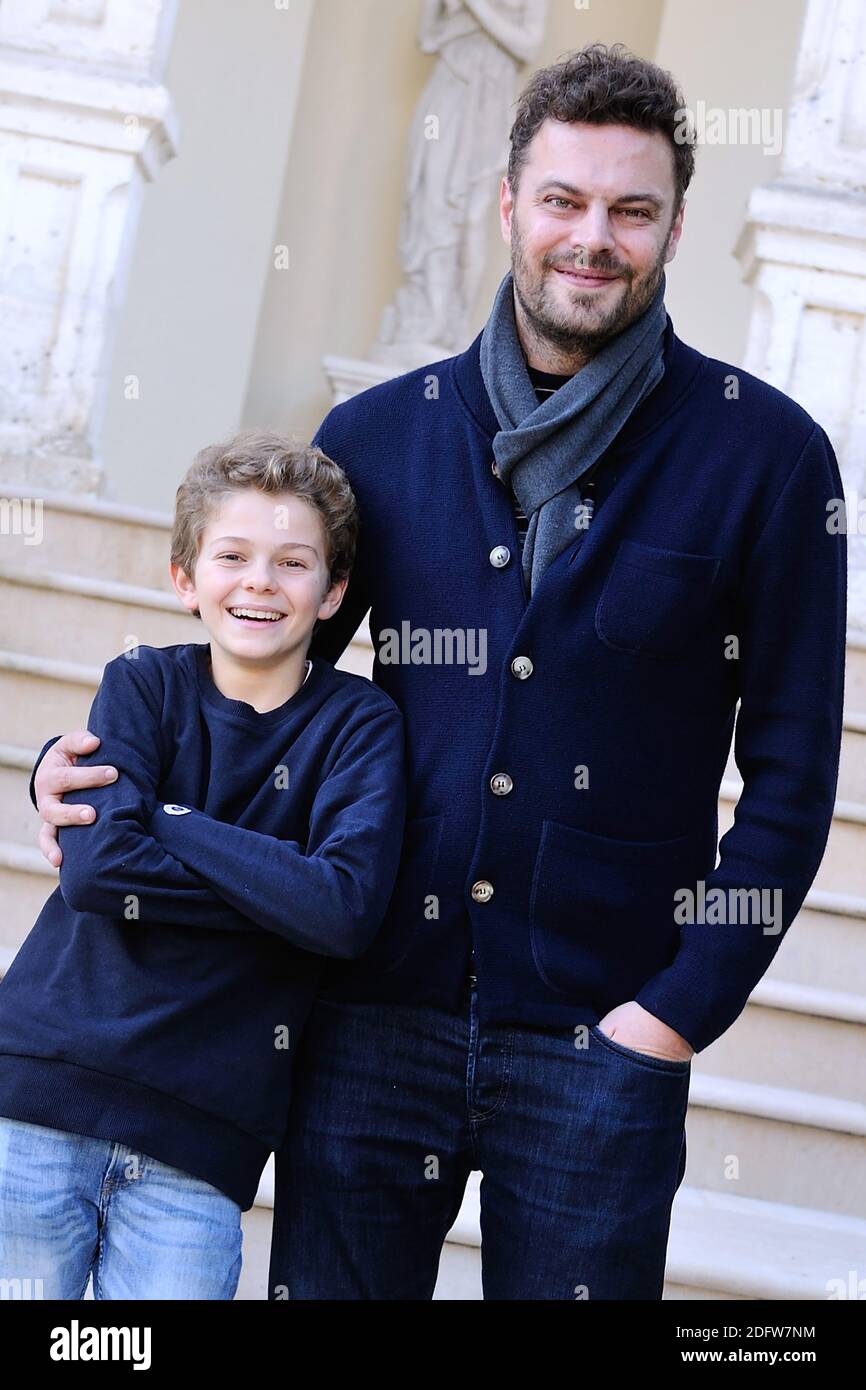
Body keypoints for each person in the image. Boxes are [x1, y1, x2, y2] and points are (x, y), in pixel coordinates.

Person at [28, 43, 847, 1300]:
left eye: (630, 210)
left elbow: (788, 783)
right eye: (564, 201)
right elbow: (261, 686)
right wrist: (83, 765)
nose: (593, 238)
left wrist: (675, 1011)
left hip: (603, 1034)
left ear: (674, 227)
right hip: (365, 1022)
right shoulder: (373, 436)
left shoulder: (770, 459)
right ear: (506, 203)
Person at [0, 431, 406, 1299]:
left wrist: (166, 815)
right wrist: (276, 888)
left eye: (293, 562)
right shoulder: (142, 683)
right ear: (186, 579)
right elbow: (98, 871)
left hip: (200, 1141)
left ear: (334, 592)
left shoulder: (359, 727)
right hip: (35, 1098)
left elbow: (340, 911)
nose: (260, 581)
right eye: (233, 555)